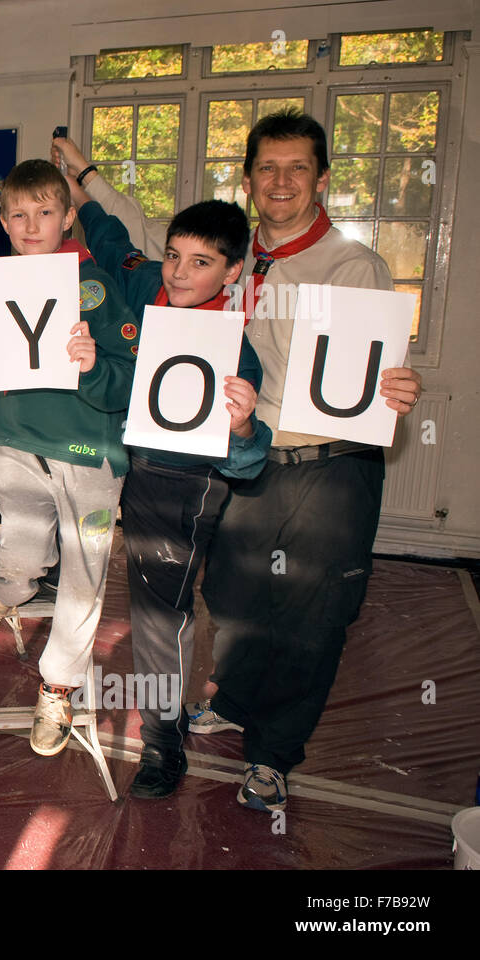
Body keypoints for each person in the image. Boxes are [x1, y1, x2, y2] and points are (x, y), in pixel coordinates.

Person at [189, 110, 422, 813]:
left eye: (297, 168)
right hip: (247, 458)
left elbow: (376, 373)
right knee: (231, 596)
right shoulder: (229, 260)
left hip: (330, 467)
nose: (281, 181)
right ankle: (233, 698)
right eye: (267, 168)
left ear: (321, 180)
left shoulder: (356, 266)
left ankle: (273, 753)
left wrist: (398, 386)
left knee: (312, 617)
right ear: (249, 177)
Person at [71, 184, 273, 798]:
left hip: (191, 486)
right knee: (160, 614)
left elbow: (249, 459)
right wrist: (81, 184)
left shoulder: (235, 346)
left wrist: (242, 427)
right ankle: (169, 729)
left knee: (163, 620)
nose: (181, 272)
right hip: (139, 475)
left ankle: (164, 744)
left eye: (202, 262)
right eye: (174, 255)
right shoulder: (146, 292)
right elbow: (110, 241)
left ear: (233, 272)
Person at [0, 159, 138, 757]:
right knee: (24, 549)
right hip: (16, 445)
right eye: (18, 215)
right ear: (4, 223)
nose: (31, 225)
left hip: (90, 453)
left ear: (67, 218)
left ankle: (57, 685)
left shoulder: (96, 286)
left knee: (85, 577)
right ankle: (5, 587)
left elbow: (133, 377)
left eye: (45, 212)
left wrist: (94, 366)